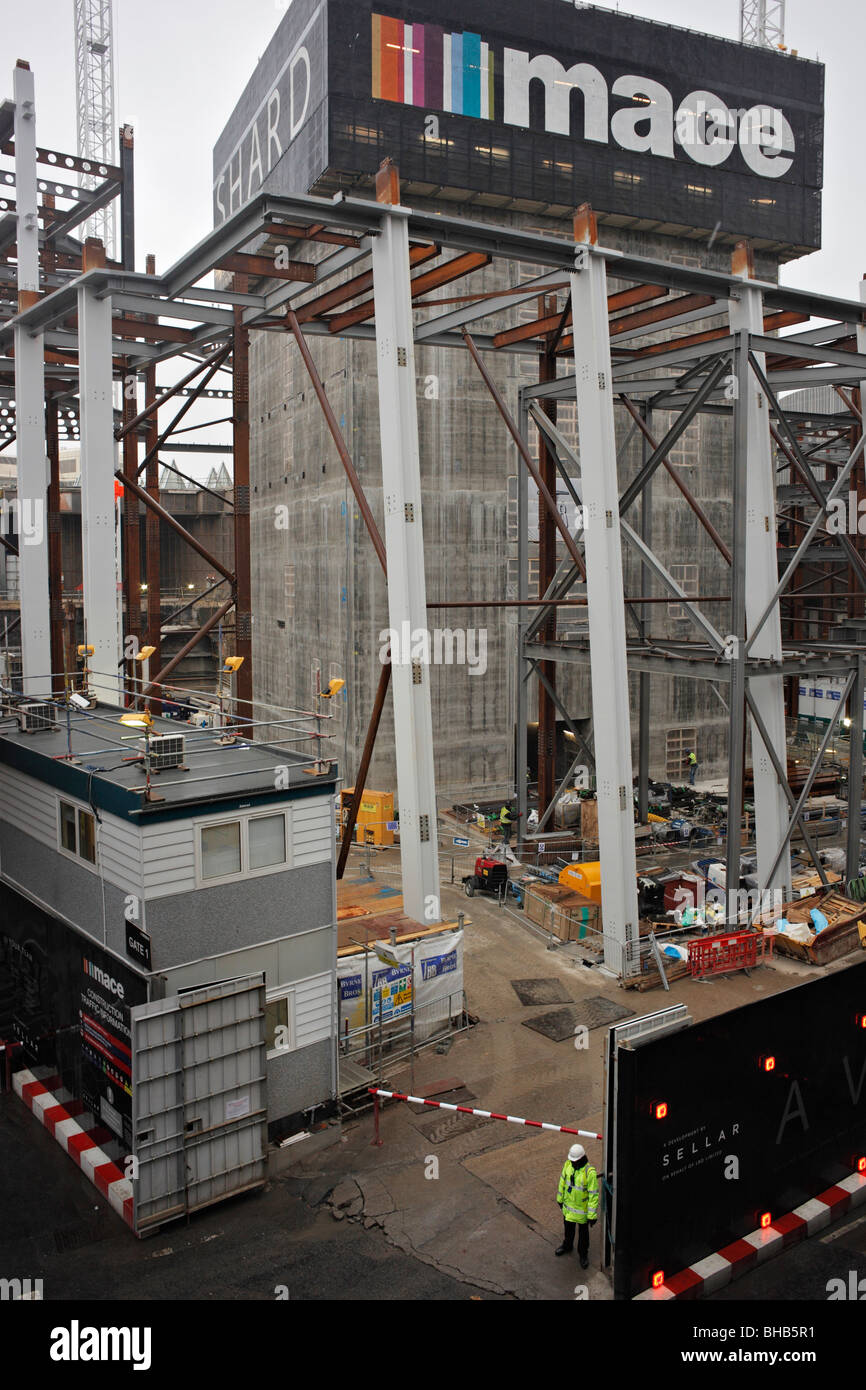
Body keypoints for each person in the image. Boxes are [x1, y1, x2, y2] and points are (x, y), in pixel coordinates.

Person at [555, 1142, 599, 1268]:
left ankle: (583, 1255)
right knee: (568, 1230)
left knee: (583, 1236)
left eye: (575, 1161)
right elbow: (562, 1182)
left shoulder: (589, 1172)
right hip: (568, 1208)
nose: (573, 1162)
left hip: (582, 1212)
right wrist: (559, 1198)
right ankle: (567, 1246)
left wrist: (592, 1215)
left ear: (581, 1159)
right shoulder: (568, 1165)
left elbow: (593, 1194)